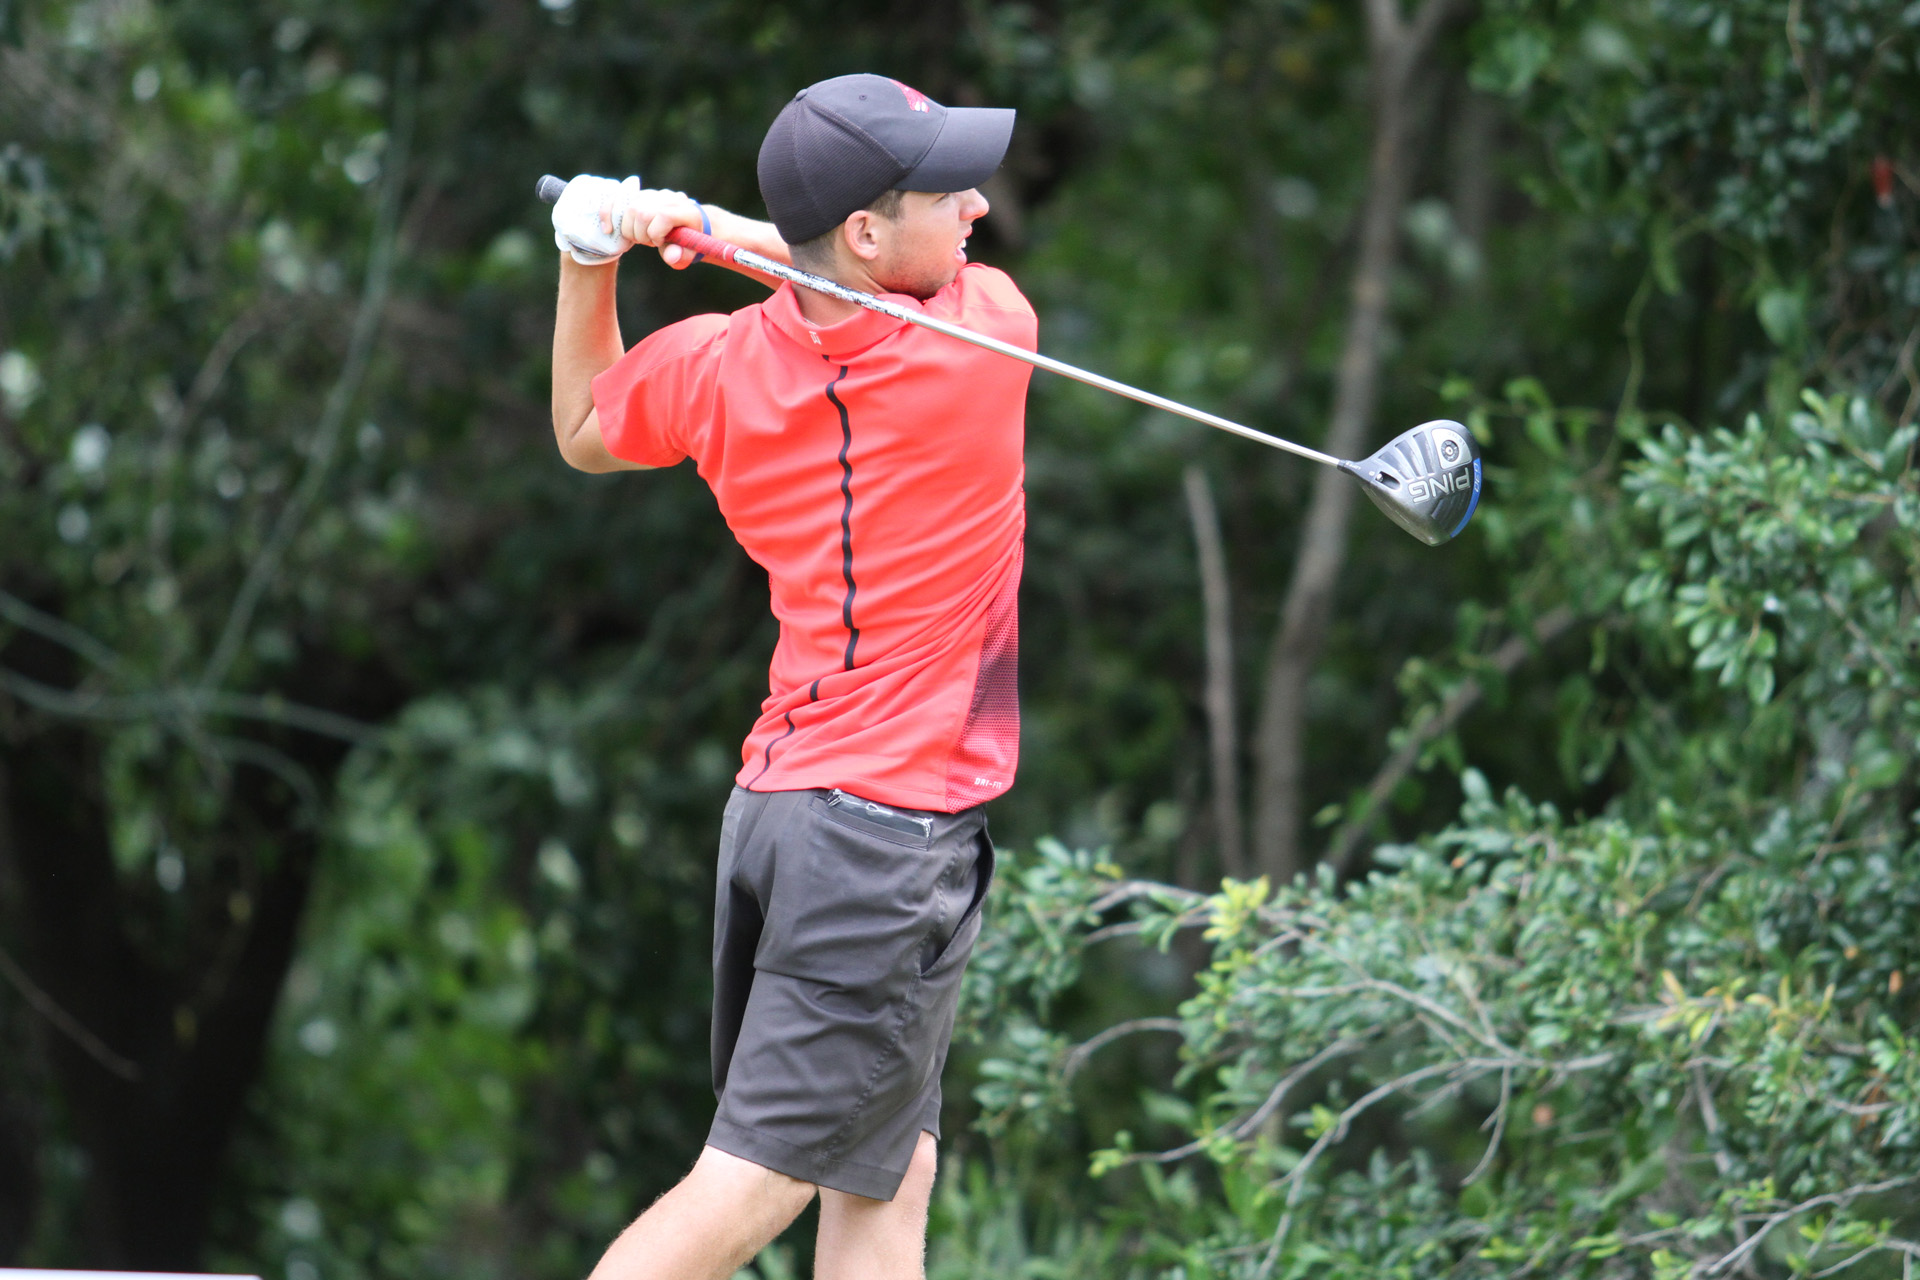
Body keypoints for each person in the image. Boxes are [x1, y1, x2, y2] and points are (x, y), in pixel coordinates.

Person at [546, 74, 1034, 1280]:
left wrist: (590, 254)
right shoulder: (984, 338)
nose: (976, 205)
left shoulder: (713, 367)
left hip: (782, 813)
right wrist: (709, 224)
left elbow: (583, 429)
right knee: (752, 1182)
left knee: (886, 1169)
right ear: (865, 232)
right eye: (946, 192)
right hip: (885, 840)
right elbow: (841, 278)